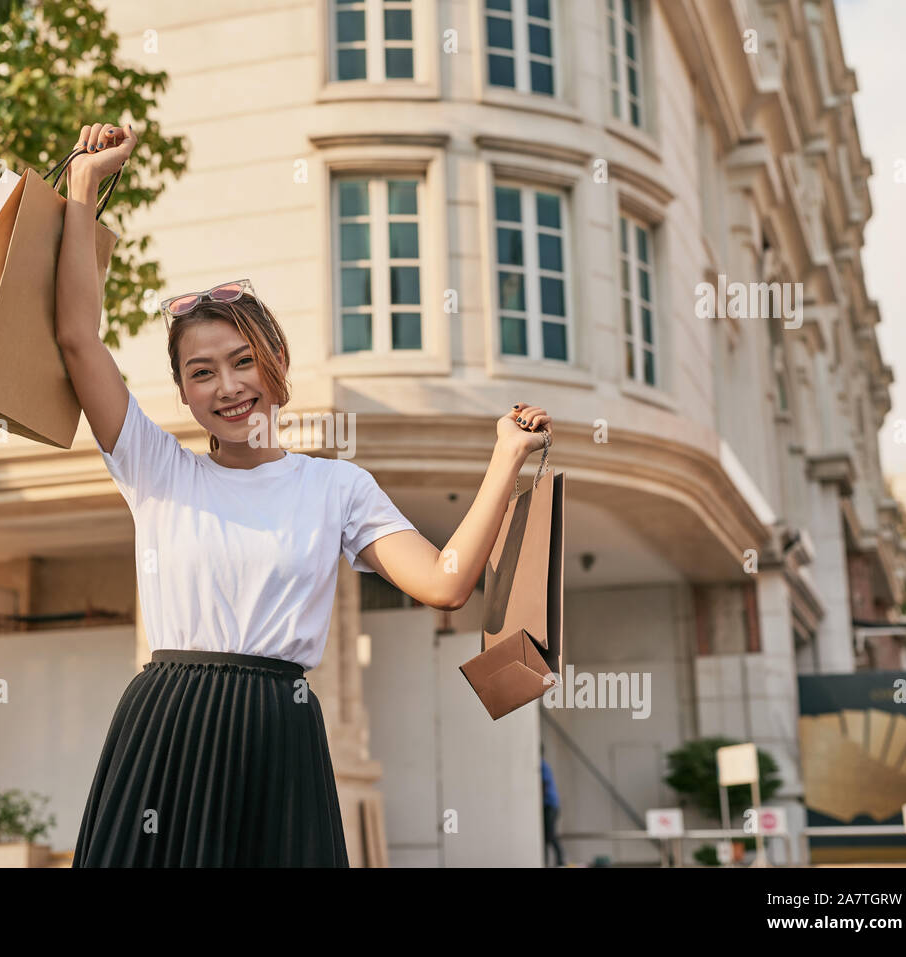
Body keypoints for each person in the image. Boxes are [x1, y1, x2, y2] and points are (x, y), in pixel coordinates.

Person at [56, 121, 554, 866]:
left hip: (278, 730)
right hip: (165, 729)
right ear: (183, 391)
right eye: (200, 372)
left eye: (241, 361)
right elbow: (75, 337)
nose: (226, 387)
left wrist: (505, 458)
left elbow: (448, 582)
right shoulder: (156, 467)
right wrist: (85, 190)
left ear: (276, 360)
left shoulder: (336, 486)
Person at [541, 745, 564, 867]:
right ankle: (543, 862)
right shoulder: (541, 765)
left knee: (550, 834)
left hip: (550, 805)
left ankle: (560, 861)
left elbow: (544, 785)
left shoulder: (542, 765)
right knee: (544, 837)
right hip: (548, 806)